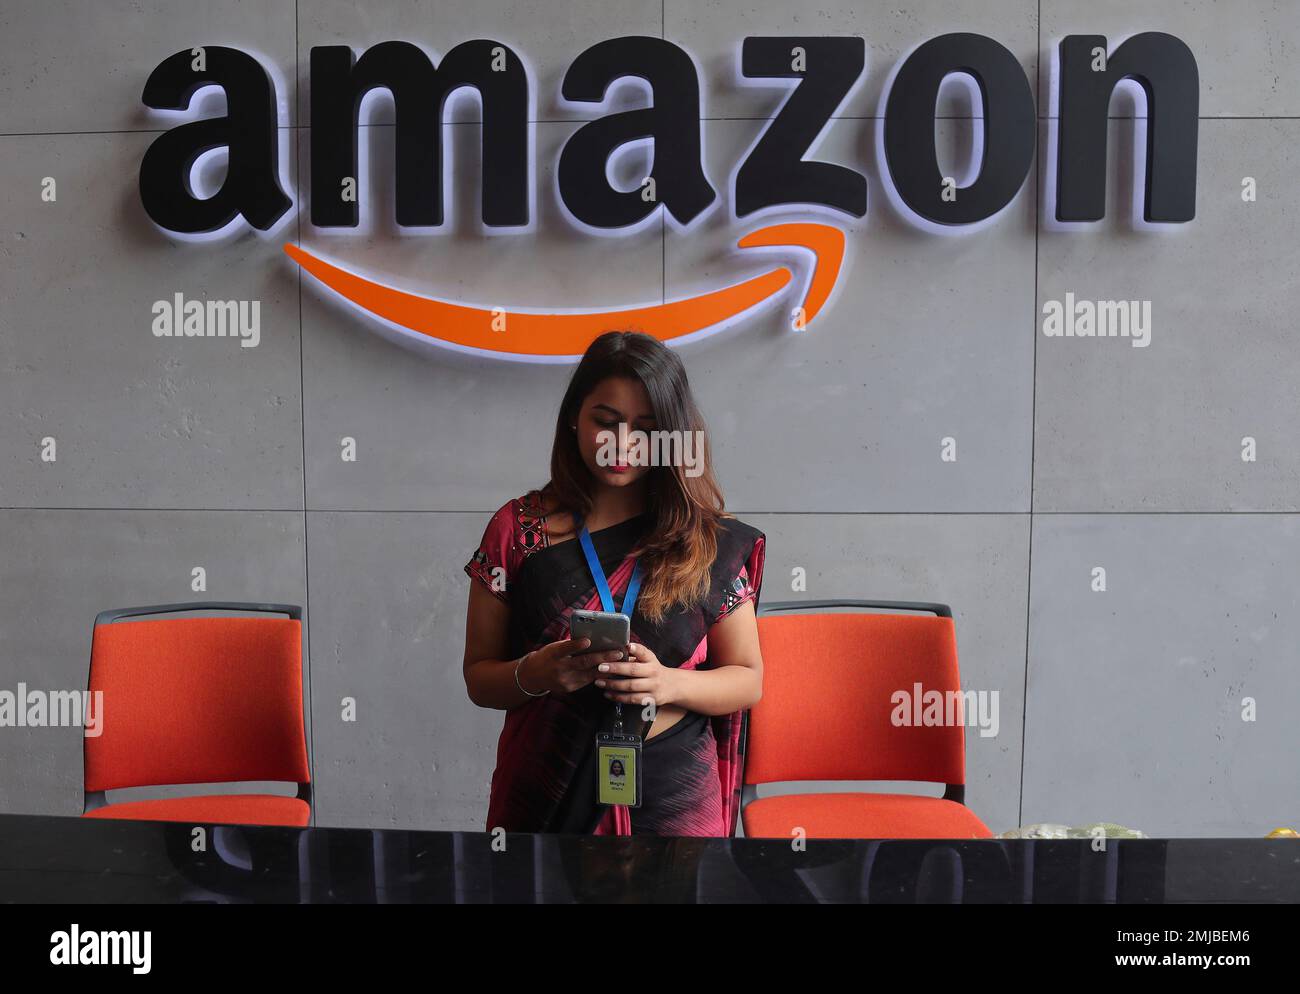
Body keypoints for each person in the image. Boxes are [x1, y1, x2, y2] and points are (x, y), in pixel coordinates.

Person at [461, 330, 766, 836]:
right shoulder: (519, 531)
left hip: (674, 792)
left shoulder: (705, 540)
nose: (623, 444)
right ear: (573, 418)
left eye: (646, 428)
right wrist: (538, 673)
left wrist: (668, 683)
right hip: (546, 787)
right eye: (606, 422)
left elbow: (747, 678)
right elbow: (478, 678)